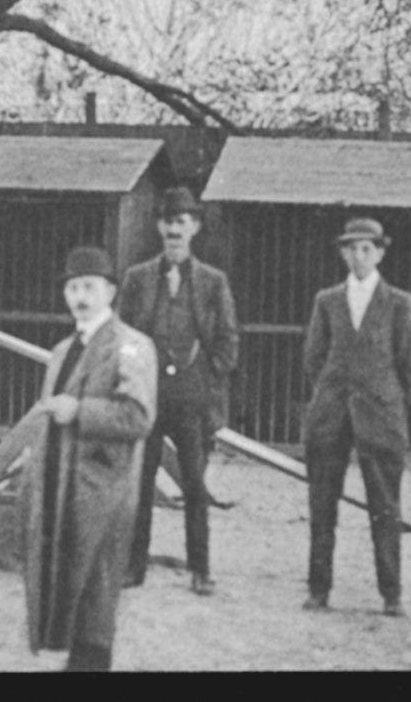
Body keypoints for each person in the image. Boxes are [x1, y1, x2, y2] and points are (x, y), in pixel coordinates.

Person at [23, 246, 157, 673]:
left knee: (94, 601)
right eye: (73, 287)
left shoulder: (130, 346)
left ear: (111, 292)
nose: (80, 296)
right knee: (58, 595)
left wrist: (80, 411)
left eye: (90, 287)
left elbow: (137, 416)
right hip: (58, 490)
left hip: (100, 491)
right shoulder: (64, 349)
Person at [300, 216, 411, 619]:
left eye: (366, 248)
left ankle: (391, 594)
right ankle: (319, 590)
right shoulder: (328, 301)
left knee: (385, 509)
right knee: (322, 508)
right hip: (331, 417)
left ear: (381, 252)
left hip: (381, 420)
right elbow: (313, 359)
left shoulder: (400, 303)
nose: (359, 255)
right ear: (342, 253)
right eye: (351, 248)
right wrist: (333, 396)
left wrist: (387, 399)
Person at [119, 186, 239, 595]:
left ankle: (200, 569)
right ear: (158, 227)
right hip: (148, 398)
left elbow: (227, 338)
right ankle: (134, 567)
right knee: (140, 484)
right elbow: (121, 335)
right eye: (168, 221)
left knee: (194, 487)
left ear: (195, 228)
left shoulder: (211, 282)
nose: (174, 230)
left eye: (182, 222)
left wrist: (209, 380)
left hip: (192, 399)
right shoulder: (137, 278)